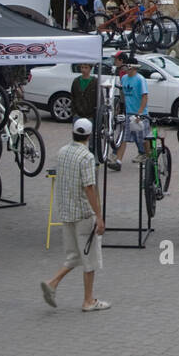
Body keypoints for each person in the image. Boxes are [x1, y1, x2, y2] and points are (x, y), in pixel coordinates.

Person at [41, 118, 109, 310]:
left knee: (73, 256)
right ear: (89, 135)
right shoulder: (86, 157)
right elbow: (89, 187)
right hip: (83, 214)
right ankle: (88, 300)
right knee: (90, 258)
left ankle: (52, 283)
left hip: (66, 211)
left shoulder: (62, 152)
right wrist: (99, 216)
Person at [112, 59, 148, 171]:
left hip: (140, 114)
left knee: (144, 139)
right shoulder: (124, 79)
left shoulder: (140, 79)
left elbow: (145, 96)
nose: (124, 69)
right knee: (124, 138)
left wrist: (140, 112)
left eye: (127, 67)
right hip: (128, 113)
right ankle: (118, 161)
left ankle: (150, 157)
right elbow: (123, 95)